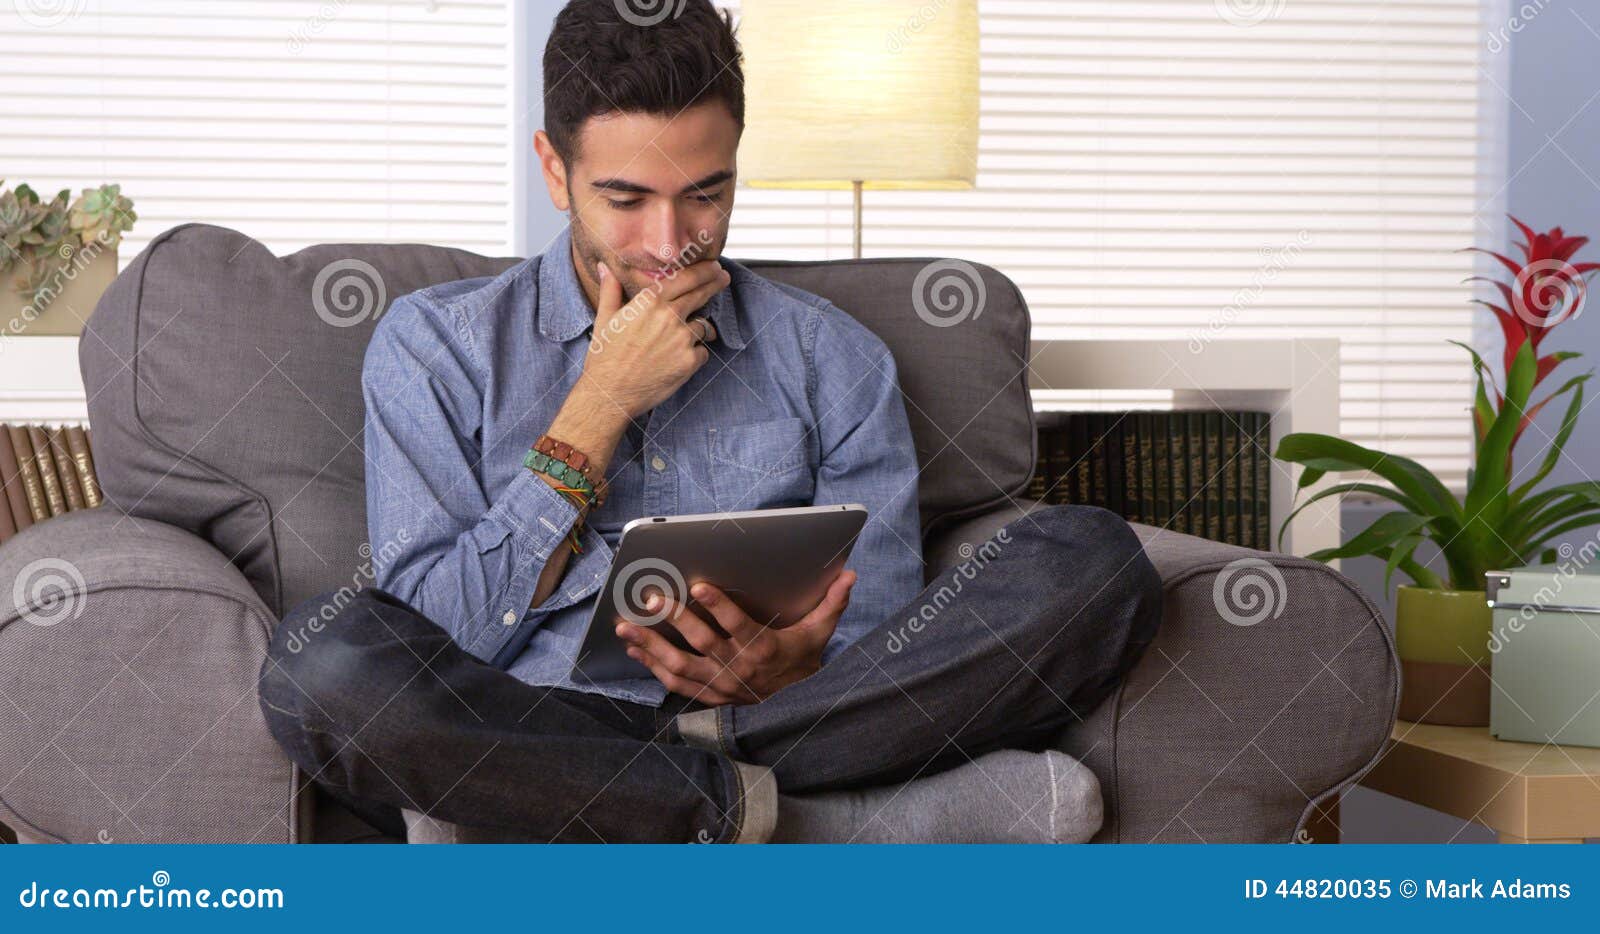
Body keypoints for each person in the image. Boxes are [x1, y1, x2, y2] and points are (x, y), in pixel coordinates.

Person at [258, 0, 1161, 844]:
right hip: (529, 716)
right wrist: (597, 407)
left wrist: (792, 663)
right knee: (318, 665)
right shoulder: (434, 347)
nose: (670, 240)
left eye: (706, 193)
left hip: (784, 714)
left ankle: (638, 800)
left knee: (1094, 561)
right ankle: (781, 818)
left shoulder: (833, 359)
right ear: (552, 168)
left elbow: (884, 634)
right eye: (625, 199)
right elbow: (430, 635)